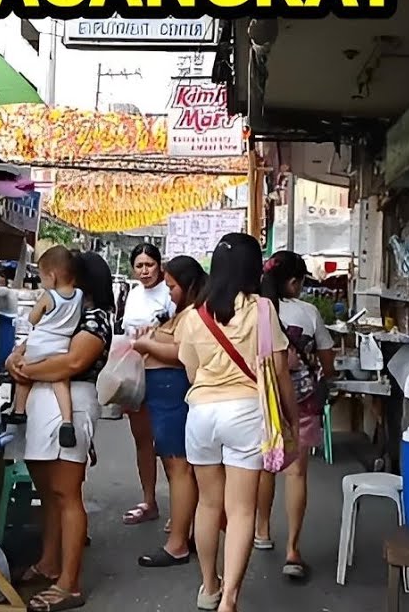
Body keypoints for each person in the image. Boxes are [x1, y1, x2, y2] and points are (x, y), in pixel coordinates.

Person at [175, 233, 298, 612]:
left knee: (209, 505)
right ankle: (230, 600)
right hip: (245, 412)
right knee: (242, 509)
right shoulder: (262, 309)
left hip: (200, 415)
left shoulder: (195, 315)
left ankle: (208, 586)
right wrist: (290, 418)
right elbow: (279, 373)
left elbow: (191, 370)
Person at [6, 251, 115, 612]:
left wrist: (28, 369)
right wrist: (15, 362)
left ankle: (70, 583)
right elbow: (25, 347)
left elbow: (74, 362)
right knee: (48, 492)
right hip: (39, 402)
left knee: (67, 494)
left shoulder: (97, 319)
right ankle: (49, 561)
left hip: (72, 403)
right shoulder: (61, 311)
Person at [255, 251, 335, 580]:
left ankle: (261, 531)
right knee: (296, 473)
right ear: (293, 282)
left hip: (261, 401)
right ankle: (292, 549)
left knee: (264, 468)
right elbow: (328, 363)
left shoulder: (255, 310)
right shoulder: (308, 313)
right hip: (300, 402)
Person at [132, 255, 207, 568]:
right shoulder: (185, 313)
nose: (169, 291)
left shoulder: (192, 314)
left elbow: (182, 354)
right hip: (165, 395)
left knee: (179, 469)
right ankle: (184, 533)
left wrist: (147, 346)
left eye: (173, 285)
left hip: (172, 394)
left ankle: (177, 542)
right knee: (179, 468)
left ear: (188, 286)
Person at [118, 243, 176, 527]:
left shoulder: (170, 293)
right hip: (134, 373)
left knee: (166, 442)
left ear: (159, 265)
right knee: (142, 440)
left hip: (162, 374)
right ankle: (148, 500)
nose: (144, 271)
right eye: (139, 266)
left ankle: (180, 507)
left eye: (149, 265)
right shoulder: (133, 294)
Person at [7, 246, 85, 448]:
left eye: (42, 277)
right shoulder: (79, 296)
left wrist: (38, 311)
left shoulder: (49, 296)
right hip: (62, 345)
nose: (42, 282)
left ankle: (19, 411)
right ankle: (67, 421)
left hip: (39, 343)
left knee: (25, 375)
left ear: (52, 276)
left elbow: (33, 318)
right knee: (60, 381)